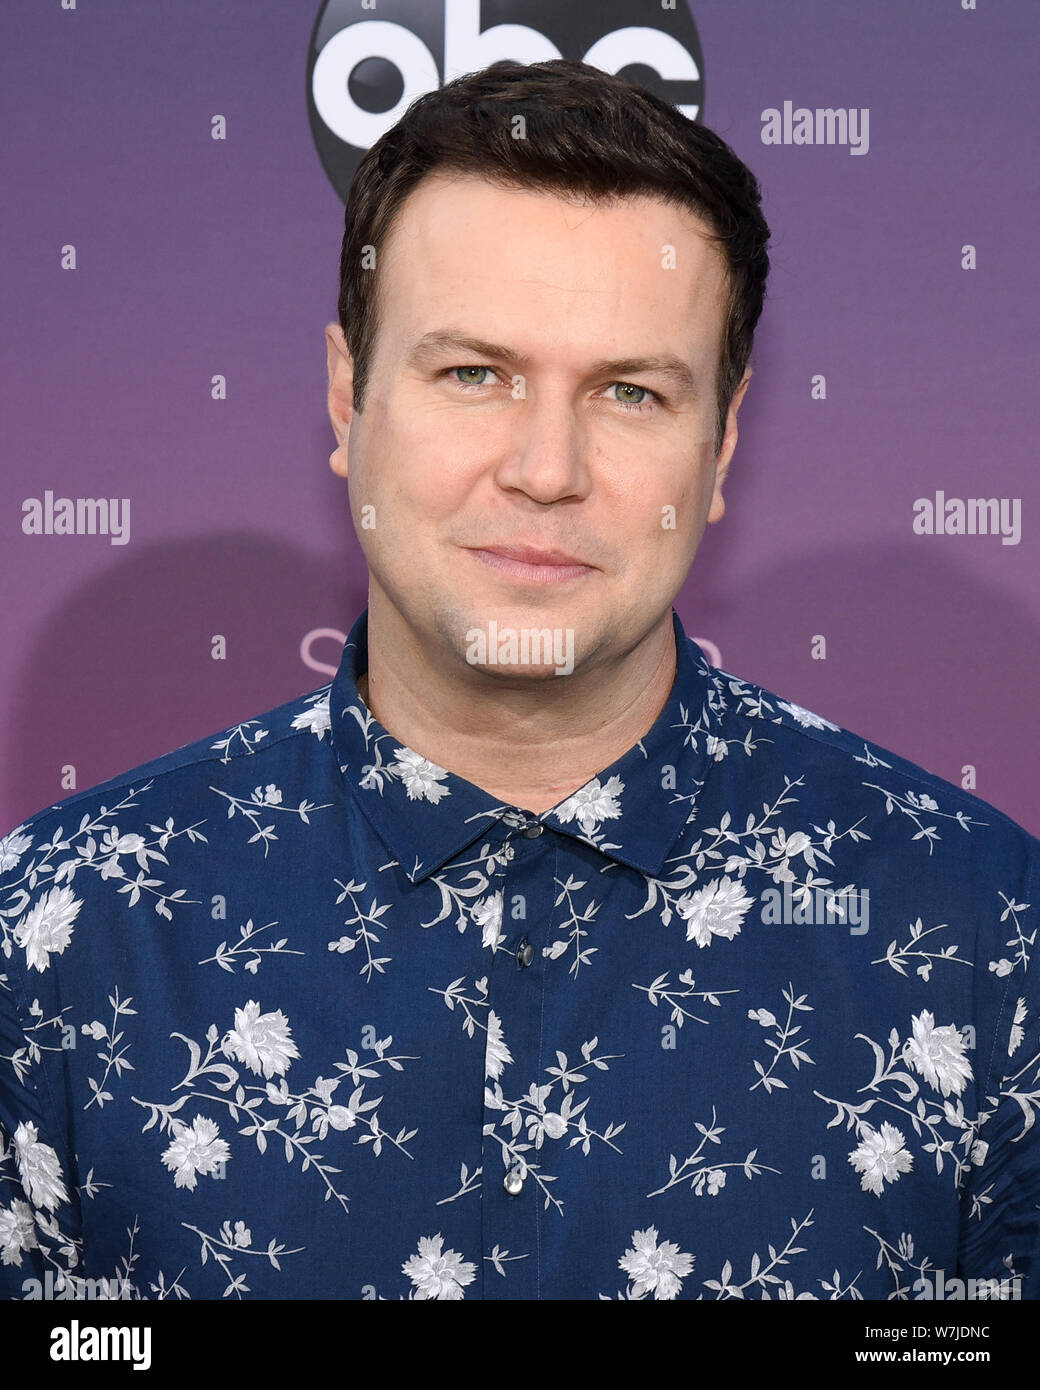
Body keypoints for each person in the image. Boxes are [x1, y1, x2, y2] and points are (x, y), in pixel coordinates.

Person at [1, 57, 1037, 1303]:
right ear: (346, 400)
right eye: (473, 374)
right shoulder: (60, 931)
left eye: (631, 392)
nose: (547, 468)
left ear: (720, 447)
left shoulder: (985, 930)